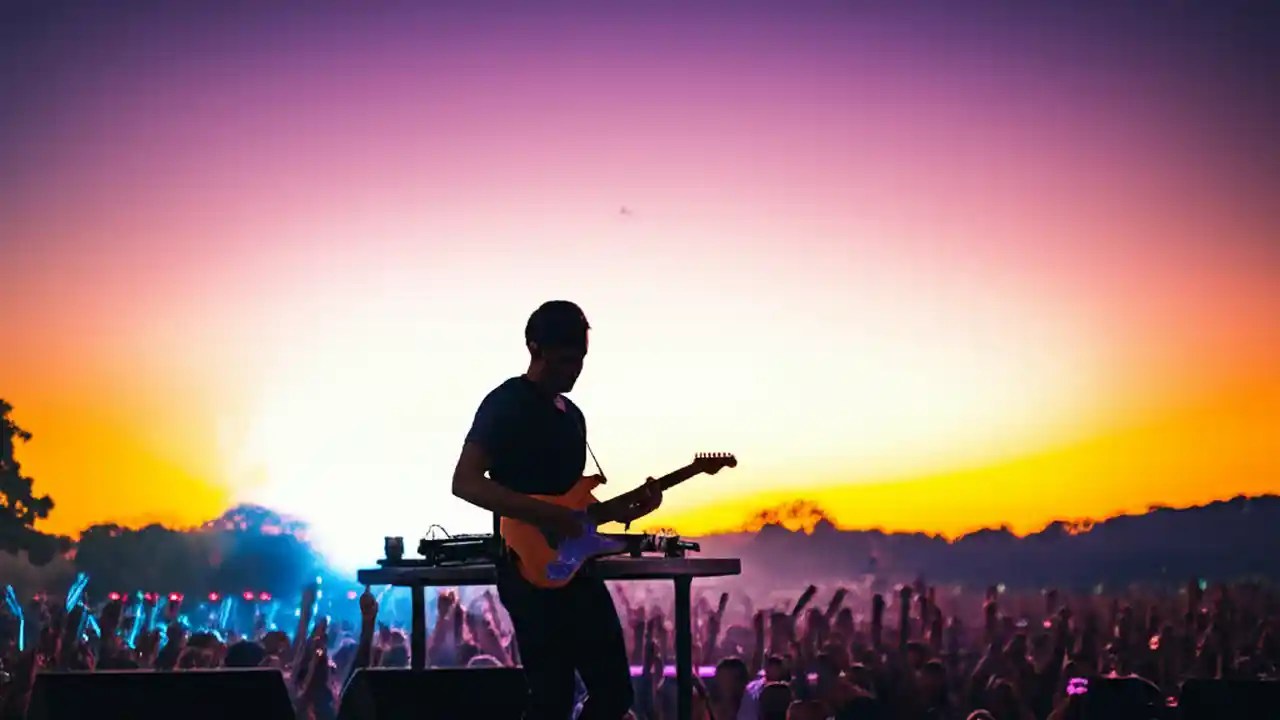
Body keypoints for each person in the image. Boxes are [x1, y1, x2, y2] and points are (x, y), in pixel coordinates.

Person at [452, 300, 663, 719]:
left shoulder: (573, 417)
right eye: (566, 360)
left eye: (580, 359)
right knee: (551, 699)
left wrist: (630, 509)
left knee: (615, 694)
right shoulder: (506, 403)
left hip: (577, 568)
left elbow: (574, 504)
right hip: (526, 567)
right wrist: (546, 516)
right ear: (536, 349)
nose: (575, 370)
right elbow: (466, 481)